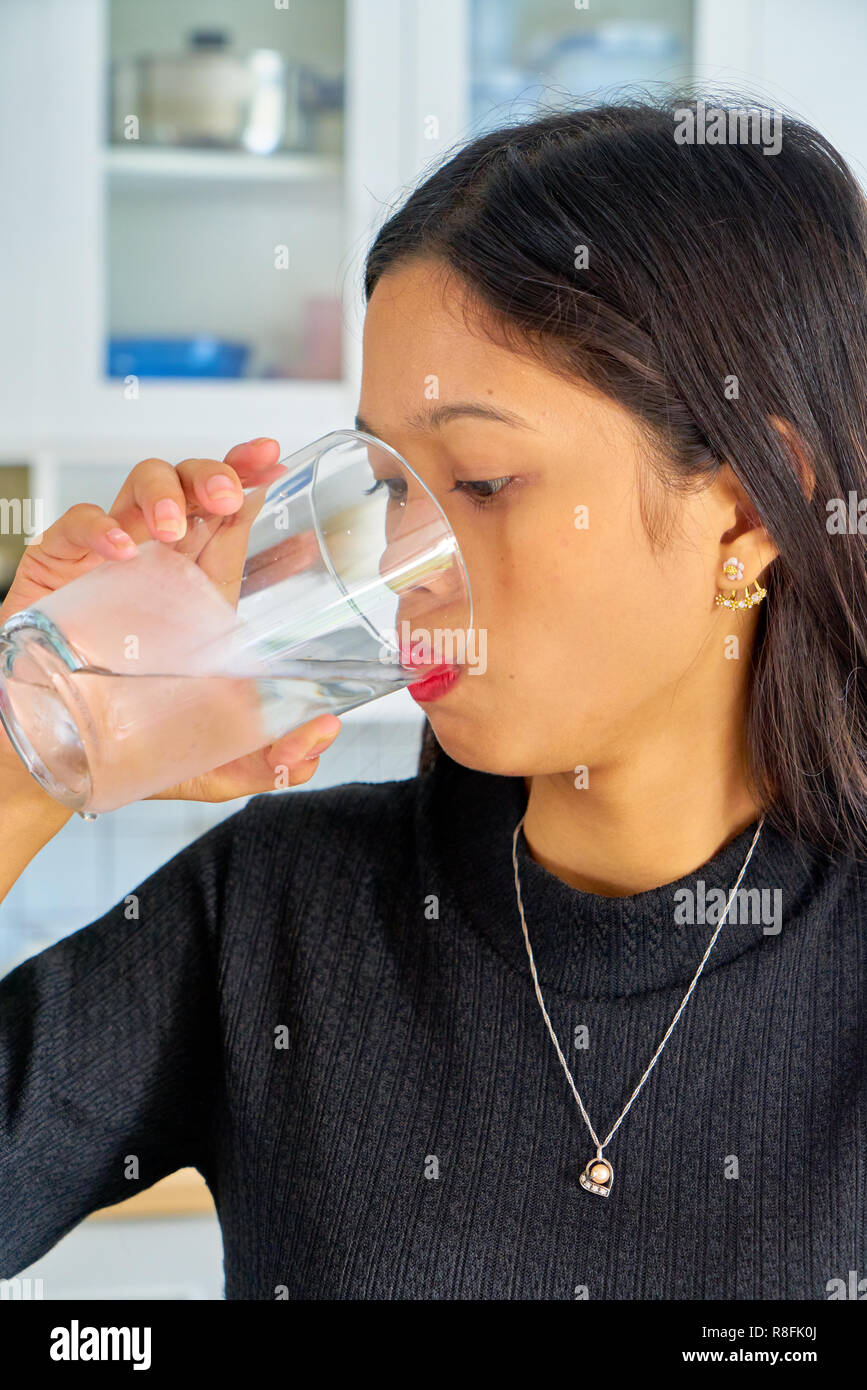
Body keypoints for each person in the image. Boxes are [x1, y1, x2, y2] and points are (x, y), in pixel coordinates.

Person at [1, 96, 864, 1300]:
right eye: (393, 484)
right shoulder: (278, 907)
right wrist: (24, 754)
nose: (401, 567)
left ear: (754, 506)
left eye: (482, 479)